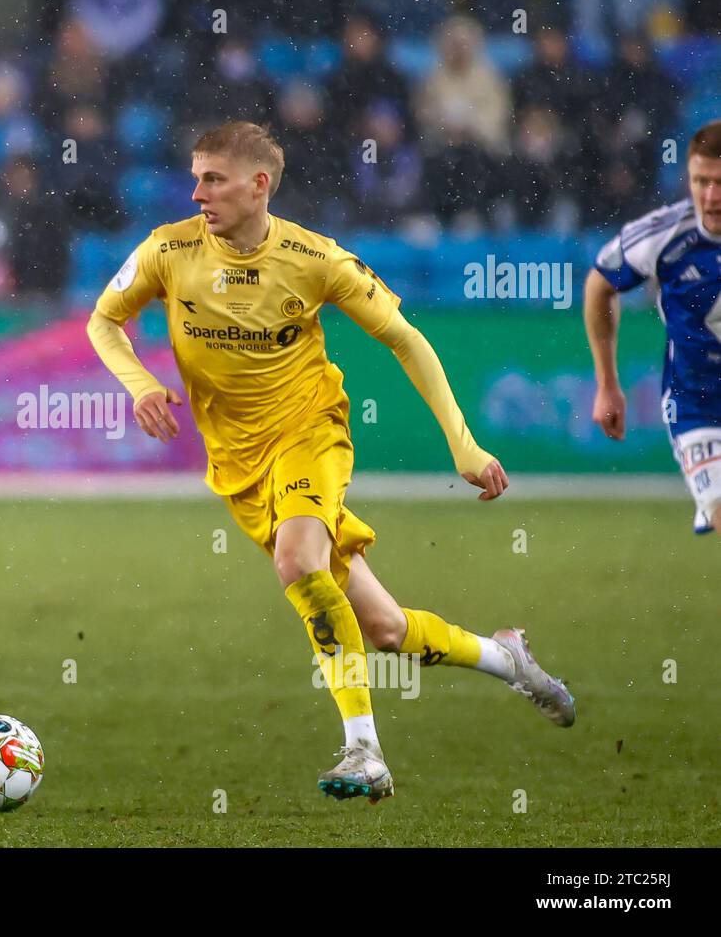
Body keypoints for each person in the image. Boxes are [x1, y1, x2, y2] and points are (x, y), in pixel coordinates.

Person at [86, 121, 574, 803]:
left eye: (213, 179)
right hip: (238, 465)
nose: (197, 192)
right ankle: (508, 659)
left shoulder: (314, 259)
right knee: (384, 628)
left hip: (309, 432)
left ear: (259, 186)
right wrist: (140, 385)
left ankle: (365, 752)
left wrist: (463, 443)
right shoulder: (169, 250)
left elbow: (406, 339)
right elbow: (103, 321)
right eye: (196, 177)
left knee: (299, 563)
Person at [585, 120, 721, 536]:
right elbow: (599, 285)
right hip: (698, 405)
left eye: (720, 183)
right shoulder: (664, 235)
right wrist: (607, 383)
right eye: (700, 182)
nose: (710, 197)